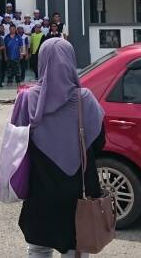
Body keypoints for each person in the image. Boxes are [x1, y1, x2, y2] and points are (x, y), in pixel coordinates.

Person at [12, 38, 105, 257]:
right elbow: (99, 143)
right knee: (76, 246)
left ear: (41, 62)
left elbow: (15, 145)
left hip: (39, 188)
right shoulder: (85, 99)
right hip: (78, 190)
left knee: (38, 247)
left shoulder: (26, 99)